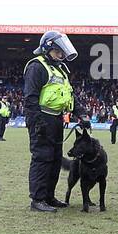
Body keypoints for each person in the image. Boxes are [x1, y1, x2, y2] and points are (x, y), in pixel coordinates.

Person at [24, 30, 77, 212]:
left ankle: (49, 196)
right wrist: (38, 123)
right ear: (48, 49)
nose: (61, 55)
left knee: (55, 159)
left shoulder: (59, 69)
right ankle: (37, 200)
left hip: (56, 118)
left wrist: (82, 114)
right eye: (58, 51)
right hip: (42, 118)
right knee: (42, 158)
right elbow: (30, 99)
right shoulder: (36, 67)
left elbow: (68, 95)